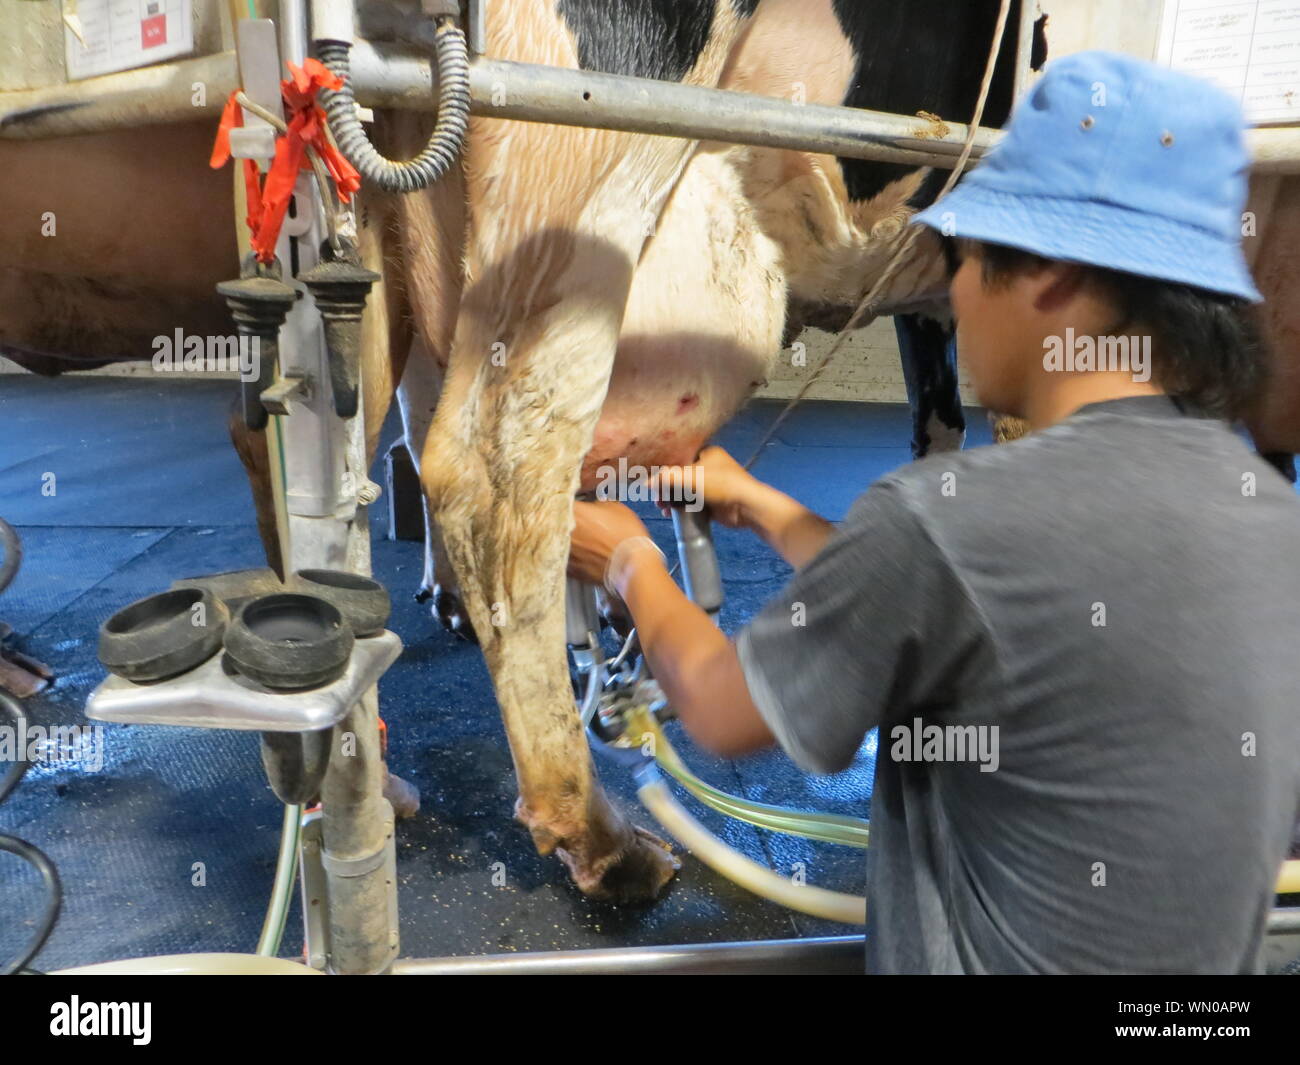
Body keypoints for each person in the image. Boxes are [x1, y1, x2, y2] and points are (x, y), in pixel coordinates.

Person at [568, 50, 1300, 973]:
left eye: (969, 256)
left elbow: (720, 707)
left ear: (1056, 278)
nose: (953, 291)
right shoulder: (1272, 519)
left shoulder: (948, 522)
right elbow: (976, 606)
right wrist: (760, 506)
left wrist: (629, 558)